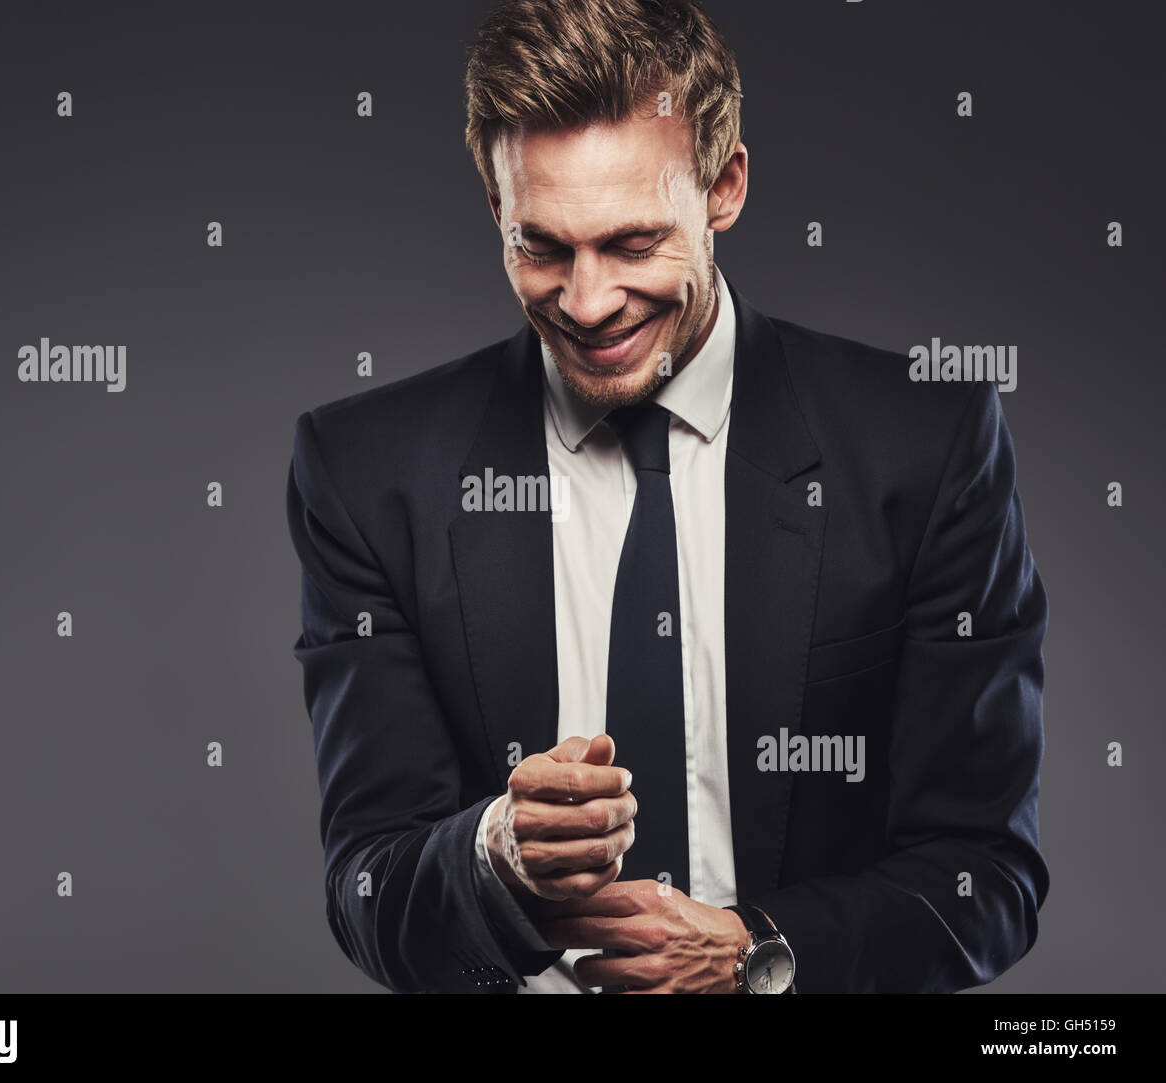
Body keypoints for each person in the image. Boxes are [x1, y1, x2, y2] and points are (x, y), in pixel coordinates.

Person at [285, 0, 1048, 994]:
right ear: (492, 203)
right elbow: (367, 890)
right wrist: (495, 858)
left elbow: (985, 874)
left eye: (634, 243)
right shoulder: (367, 470)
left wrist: (756, 953)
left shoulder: (924, 446)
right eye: (542, 247)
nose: (589, 302)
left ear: (723, 188)